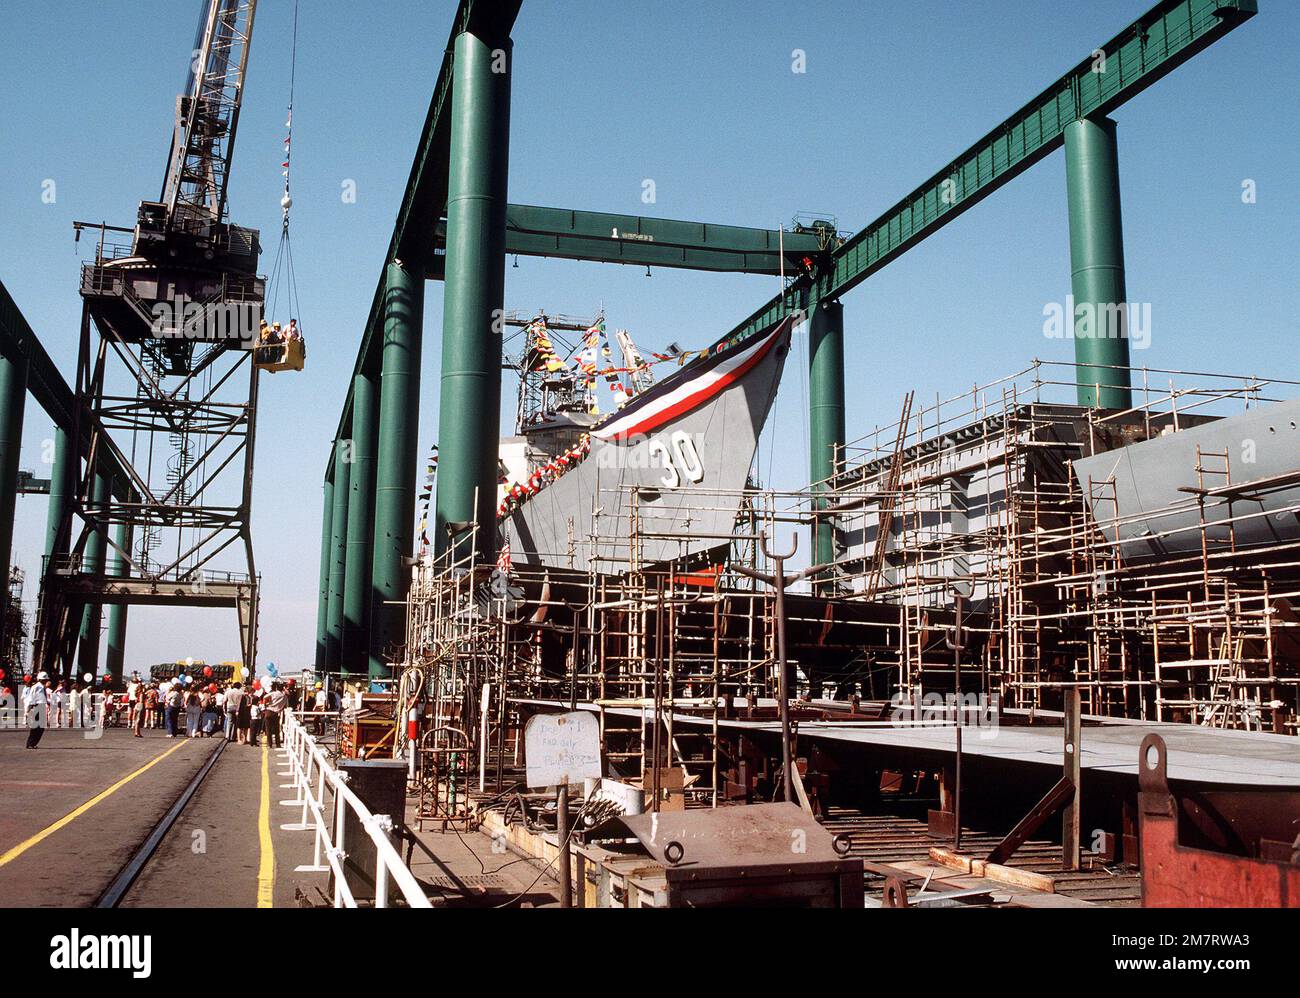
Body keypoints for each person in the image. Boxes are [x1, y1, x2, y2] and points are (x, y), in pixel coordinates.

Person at [25, 673, 51, 748]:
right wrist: (29, 709)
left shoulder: (42, 687)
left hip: (42, 706)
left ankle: (33, 743)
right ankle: (30, 743)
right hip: (37, 706)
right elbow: (31, 698)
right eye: (45, 679)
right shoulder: (36, 687)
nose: (46, 681)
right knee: (35, 726)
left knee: (41, 727)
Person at [263, 682, 286, 749]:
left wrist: (265, 705)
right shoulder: (284, 696)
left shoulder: (273, 693)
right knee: (276, 729)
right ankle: (277, 744)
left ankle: (269, 744)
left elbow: (265, 697)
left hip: (269, 711)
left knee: (268, 729)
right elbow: (285, 705)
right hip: (277, 713)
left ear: (276, 688)